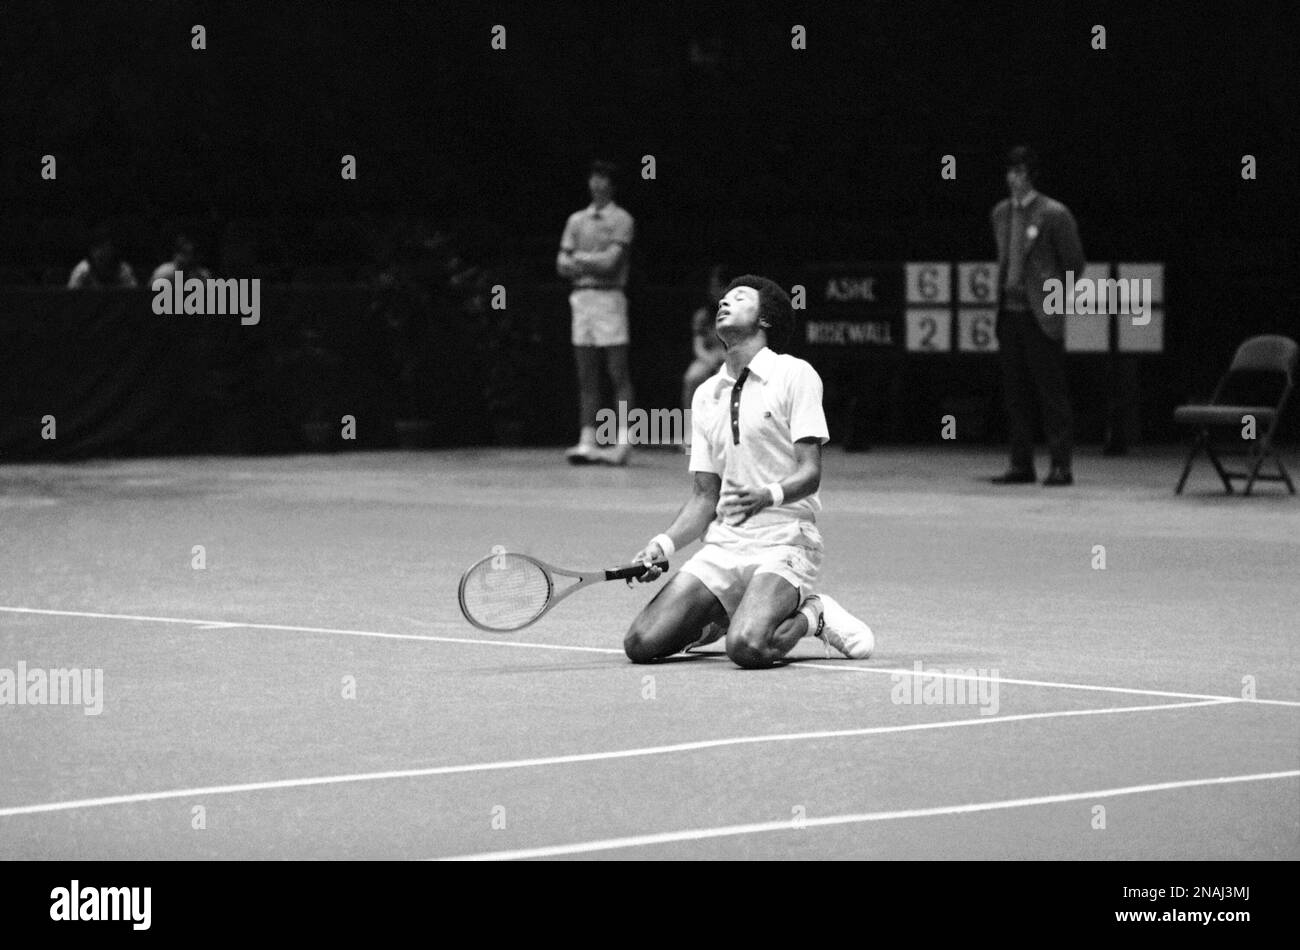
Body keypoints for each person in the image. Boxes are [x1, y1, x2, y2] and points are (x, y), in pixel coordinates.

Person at [623, 275, 874, 669]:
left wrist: (767, 495)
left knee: (748, 648)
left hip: (785, 540)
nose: (724, 302)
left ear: (766, 320)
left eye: (739, 298)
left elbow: (810, 472)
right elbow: (705, 497)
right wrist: (663, 545)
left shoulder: (795, 375)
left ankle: (814, 613)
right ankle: (723, 615)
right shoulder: (707, 395)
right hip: (725, 547)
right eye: (724, 298)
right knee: (640, 643)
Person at [989, 145, 1084, 487]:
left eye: (1020, 171)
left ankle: (1061, 465)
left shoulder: (1054, 214)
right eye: (1010, 171)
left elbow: (1074, 264)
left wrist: (1052, 302)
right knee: (1015, 394)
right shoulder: (1000, 213)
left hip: (1039, 314)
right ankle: (1020, 464)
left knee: (1051, 392)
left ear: (1031, 175)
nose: (1013, 178)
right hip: (1009, 312)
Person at [556, 160, 636, 465]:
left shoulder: (622, 220)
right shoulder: (576, 220)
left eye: (603, 177)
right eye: (593, 175)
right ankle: (587, 440)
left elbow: (611, 264)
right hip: (581, 300)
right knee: (586, 374)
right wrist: (591, 260)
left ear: (612, 184)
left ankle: (623, 441)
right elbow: (560, 264)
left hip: (610, 299)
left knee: (617, 372)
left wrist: (578, 259)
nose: (596, 182)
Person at [682, 264, 729, 438]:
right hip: (708, 357)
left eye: (717, 286)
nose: (713, 290)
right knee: (692, 377)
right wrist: (710, 360)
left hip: (732, 359)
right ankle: (689, 430)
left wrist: (725, 358)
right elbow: (698, 346)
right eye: (711, 286)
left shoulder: (738, 314)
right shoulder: (703, 315)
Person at [67, 231, 138, 289]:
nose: (101, 252)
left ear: (112, 250)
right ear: (91, 251)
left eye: (105, 247)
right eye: (97, 248)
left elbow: (135, 298)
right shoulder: (82, 271)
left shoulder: (123, 270)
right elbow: (69, 300)